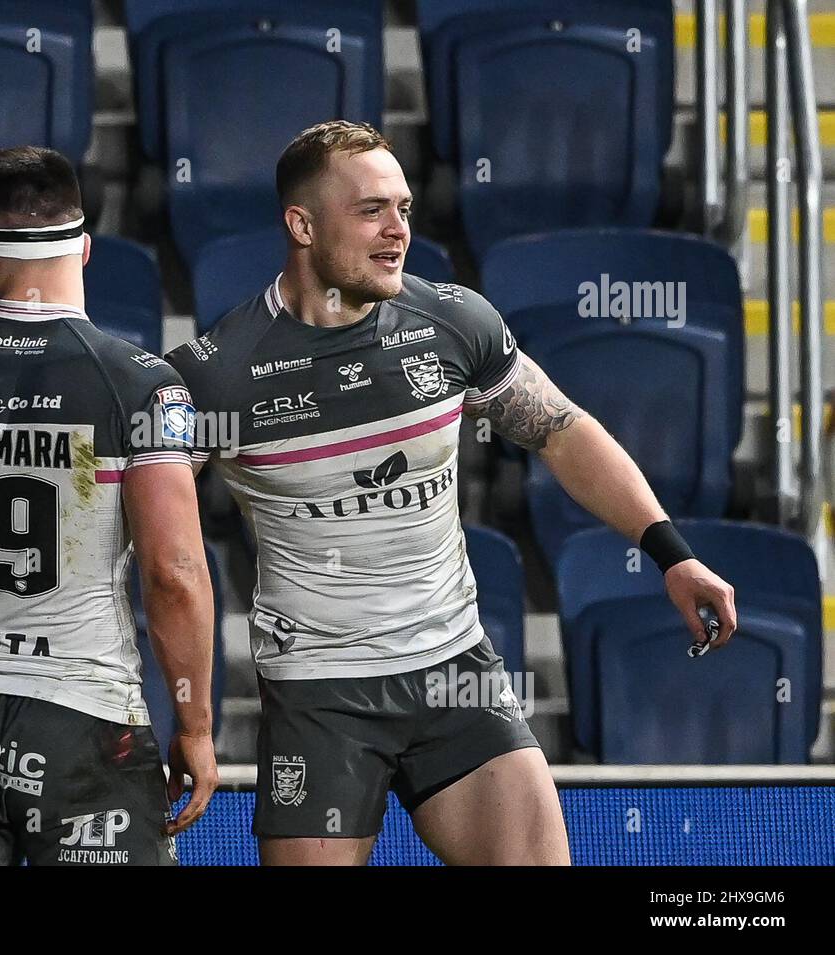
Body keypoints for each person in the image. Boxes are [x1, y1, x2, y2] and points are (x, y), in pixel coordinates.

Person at [166, 120, 738, 866]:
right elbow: (149, 539)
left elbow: (563, 432)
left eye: (403, 208)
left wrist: (671, 553)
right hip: (320, 695)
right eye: (371, 210)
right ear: (302, 226)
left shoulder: (452, 322)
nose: (397, 229)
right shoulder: (216, 376)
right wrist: (186, 719)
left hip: (455, 673)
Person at [0, 146, 217, 865]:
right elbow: (175, 571)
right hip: (82, 717)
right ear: (85, 249)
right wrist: (195, 724)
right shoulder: (141, 386)